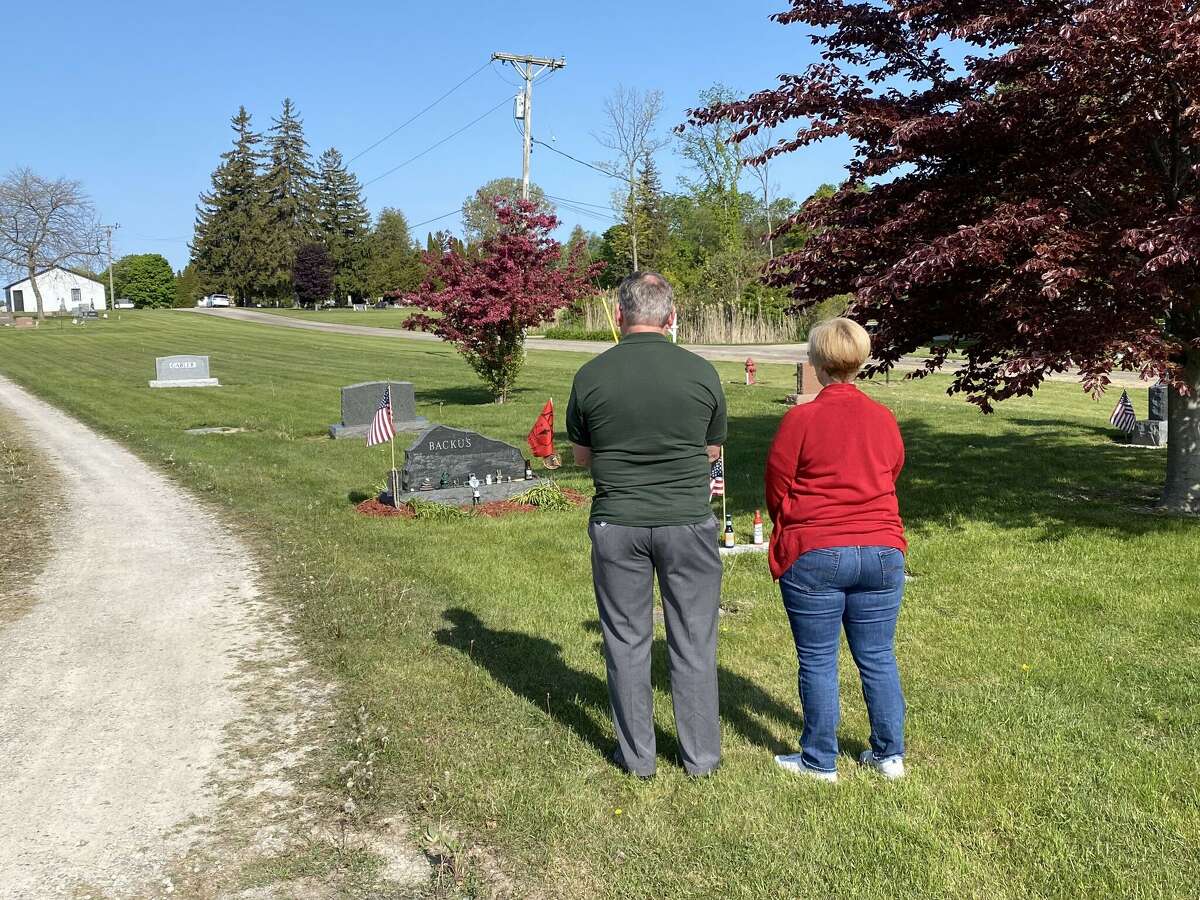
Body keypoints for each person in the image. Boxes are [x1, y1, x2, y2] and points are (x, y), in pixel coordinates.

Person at [567, 271, 727, 778]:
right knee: (693, 639)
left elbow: (581, 455)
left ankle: (638, 757)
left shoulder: (591, 375)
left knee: (626, 639)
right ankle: (700, 757)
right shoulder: (701, 373)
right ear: (671, 317)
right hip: (687, 520)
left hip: (619, 521)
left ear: (619, 316)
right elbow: (713, 449)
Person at [764, 317, 908, 782]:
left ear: (817, 363)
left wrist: (790, 522)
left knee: (819, 658)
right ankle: (890, 756)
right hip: (883, 550)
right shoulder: (883, 418)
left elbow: (777, 485)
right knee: (878, 654)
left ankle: (818, 759)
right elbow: (892, 470)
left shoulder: (802, 418)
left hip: (817, 550)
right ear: (862, 361)